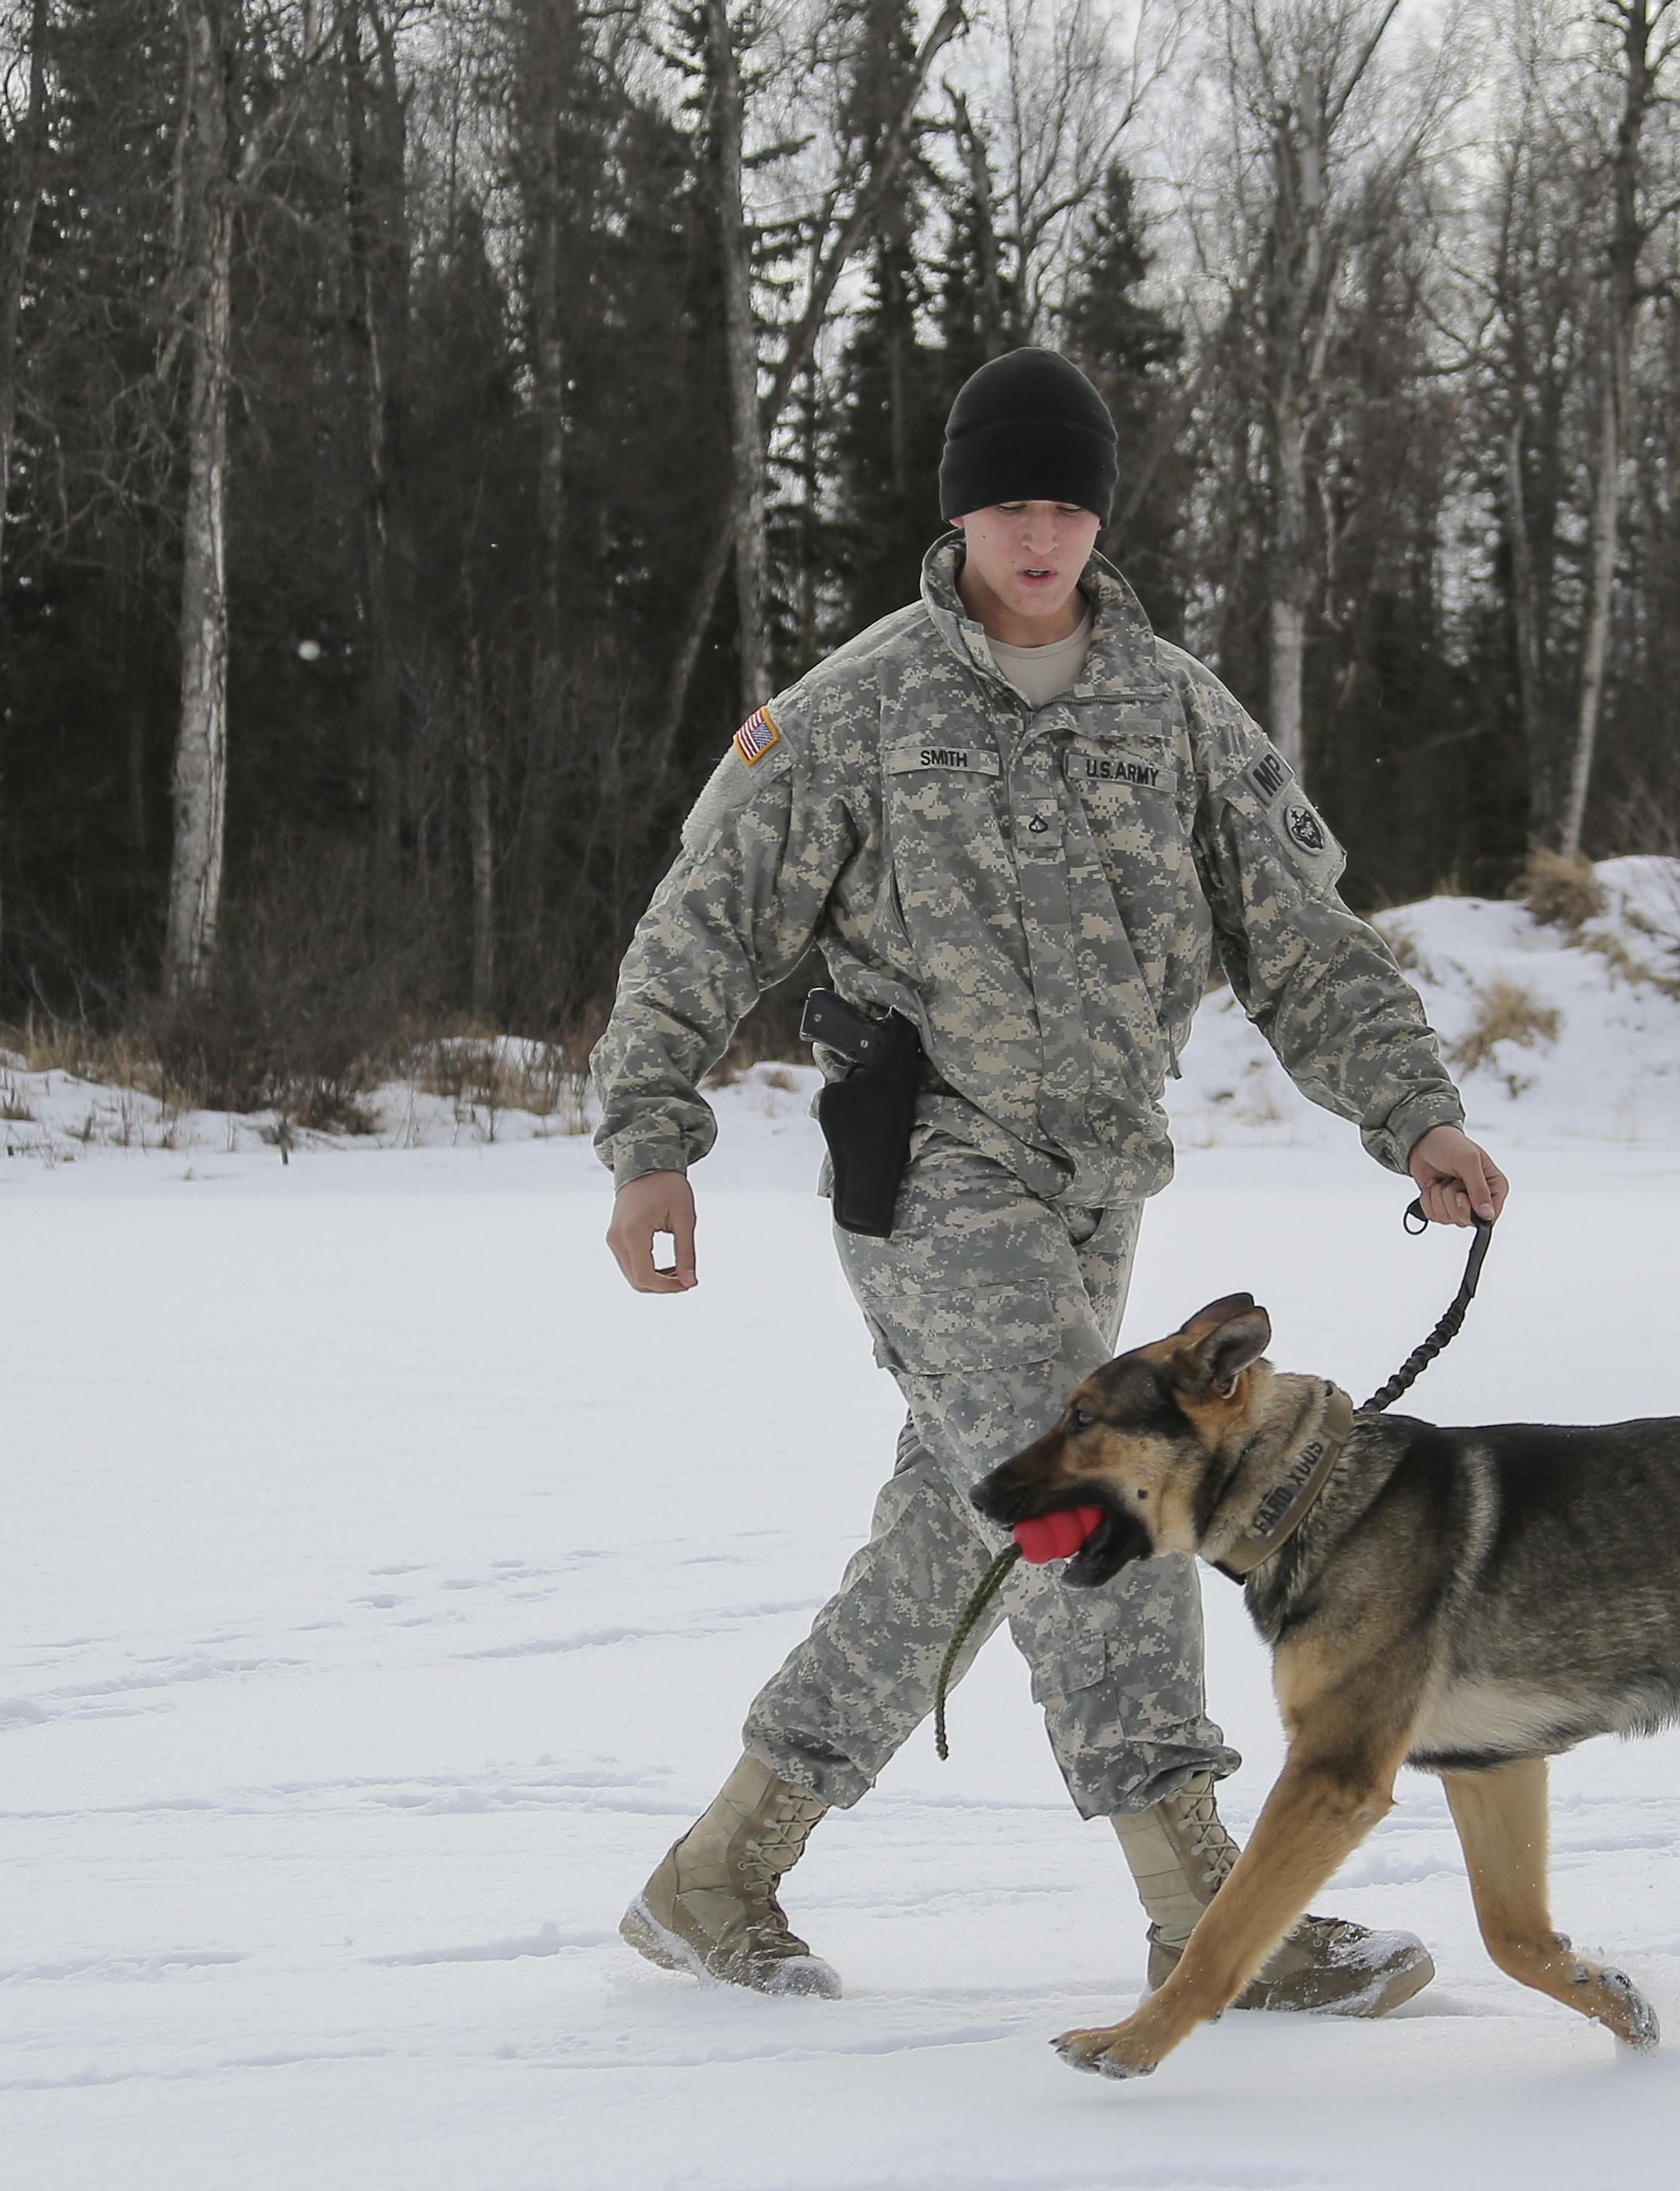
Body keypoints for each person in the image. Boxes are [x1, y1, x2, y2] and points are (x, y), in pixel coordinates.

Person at [591, 346, 1509, 2015]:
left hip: (1096, 1187)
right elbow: (701, 920)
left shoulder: (1175, 708)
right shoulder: (859, 707)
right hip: (933, 1169)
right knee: (1107, 1486)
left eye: (1068, 504)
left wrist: (1416, 1115)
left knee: (963, 1533)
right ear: (959, 513)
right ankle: (1205, 1909)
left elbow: (1305, 942)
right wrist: (650, 1141)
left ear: (1101, 518)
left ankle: (715, 1875)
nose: (1040, 534)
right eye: (1010, 502)